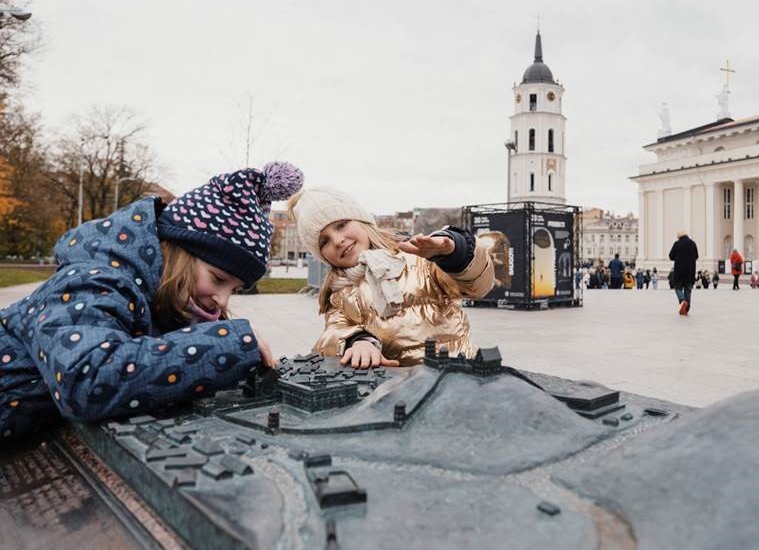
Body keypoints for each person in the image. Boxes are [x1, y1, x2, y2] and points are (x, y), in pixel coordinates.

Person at [0, 162, 303, 442]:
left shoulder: (163, 299)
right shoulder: (93, 278)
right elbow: (87, 381)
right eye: (219, 279)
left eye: (235, 290)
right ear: (179, 251)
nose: (223, 300)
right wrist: (227, 344)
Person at [290, 187, 494, 368]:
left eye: (341, 225)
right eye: (324, 241)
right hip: (395, 389)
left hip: (455, 375)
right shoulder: (339, 294)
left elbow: (478, 286)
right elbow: (334, 332)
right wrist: (358, 341)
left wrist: (455, 251)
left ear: (363, 221)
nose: (338, 240)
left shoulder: (418, 259)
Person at [668, 229, 699, 316]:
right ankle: (686, 308)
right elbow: (696, 256)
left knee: (677, 287)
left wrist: (678, 257)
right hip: (690, 271)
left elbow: (671, 256)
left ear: (679, 237)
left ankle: (682, 300)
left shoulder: (677, 244)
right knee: (688, 290)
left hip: (679, 271)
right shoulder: (693, 243)